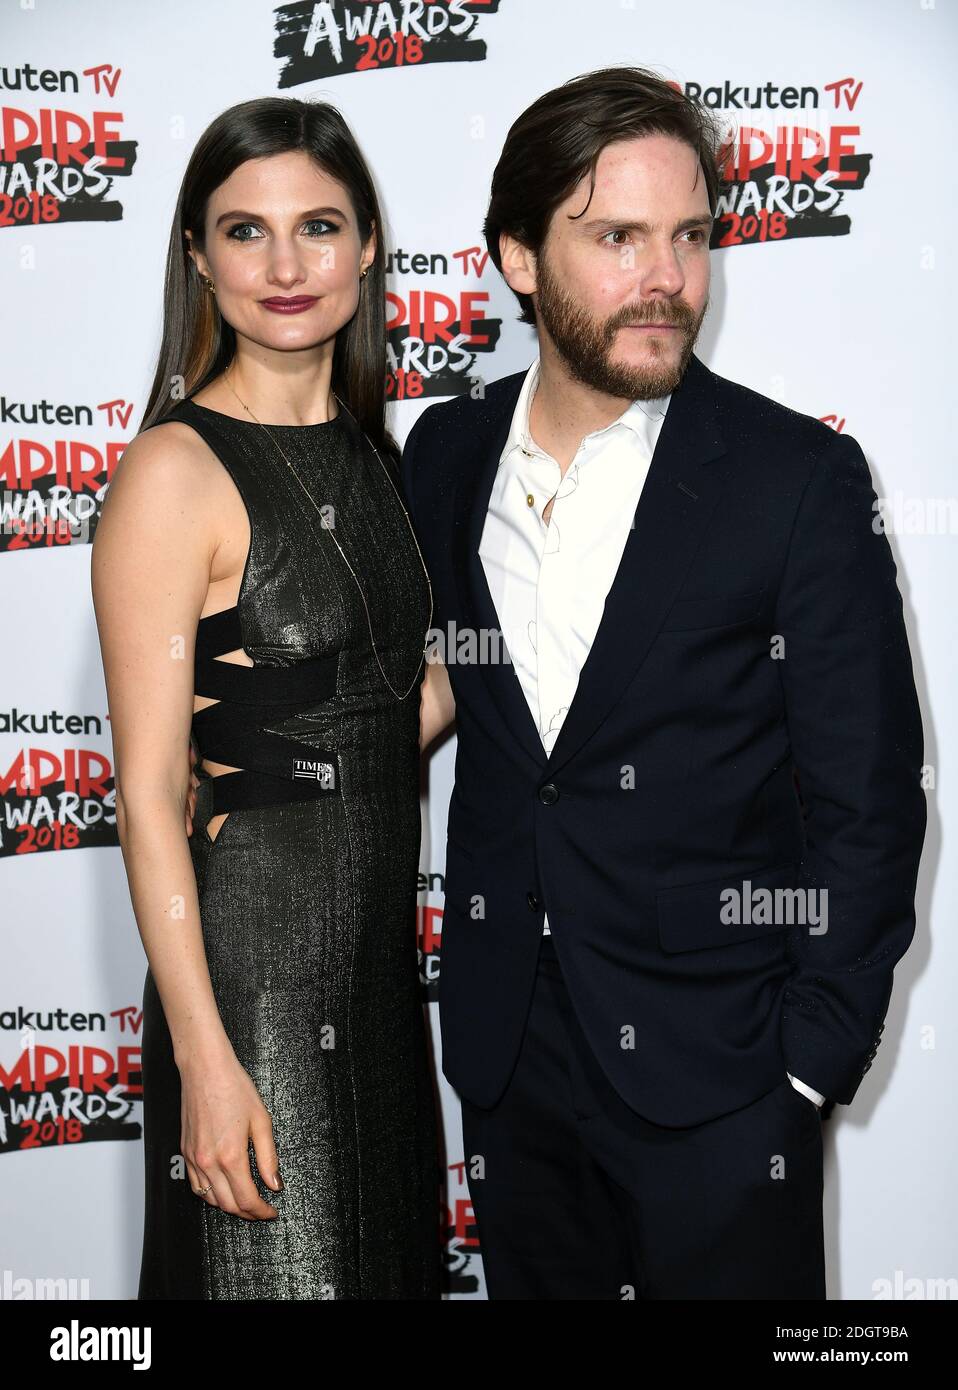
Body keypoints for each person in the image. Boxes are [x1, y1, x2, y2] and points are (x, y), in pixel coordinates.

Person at [402, 67, 927, 1298]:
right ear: (518, 258)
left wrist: (803, 1066)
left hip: (726, 1078)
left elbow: (870, 800)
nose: (667, 279)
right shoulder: (446, 451)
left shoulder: (796, 480)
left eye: (690, 237)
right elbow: (447, 700)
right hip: (508, 1062)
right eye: (618, 237)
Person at [91, 96, 441, 1300]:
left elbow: (396, 706)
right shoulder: (173, 471)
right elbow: (144, 795)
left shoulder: (379, 458)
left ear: (368, 246)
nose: (286, 266)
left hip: (383, 1005)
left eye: (319, 227)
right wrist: (206, 1054)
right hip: (253, 999)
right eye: (246, 232)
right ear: (197, 254)